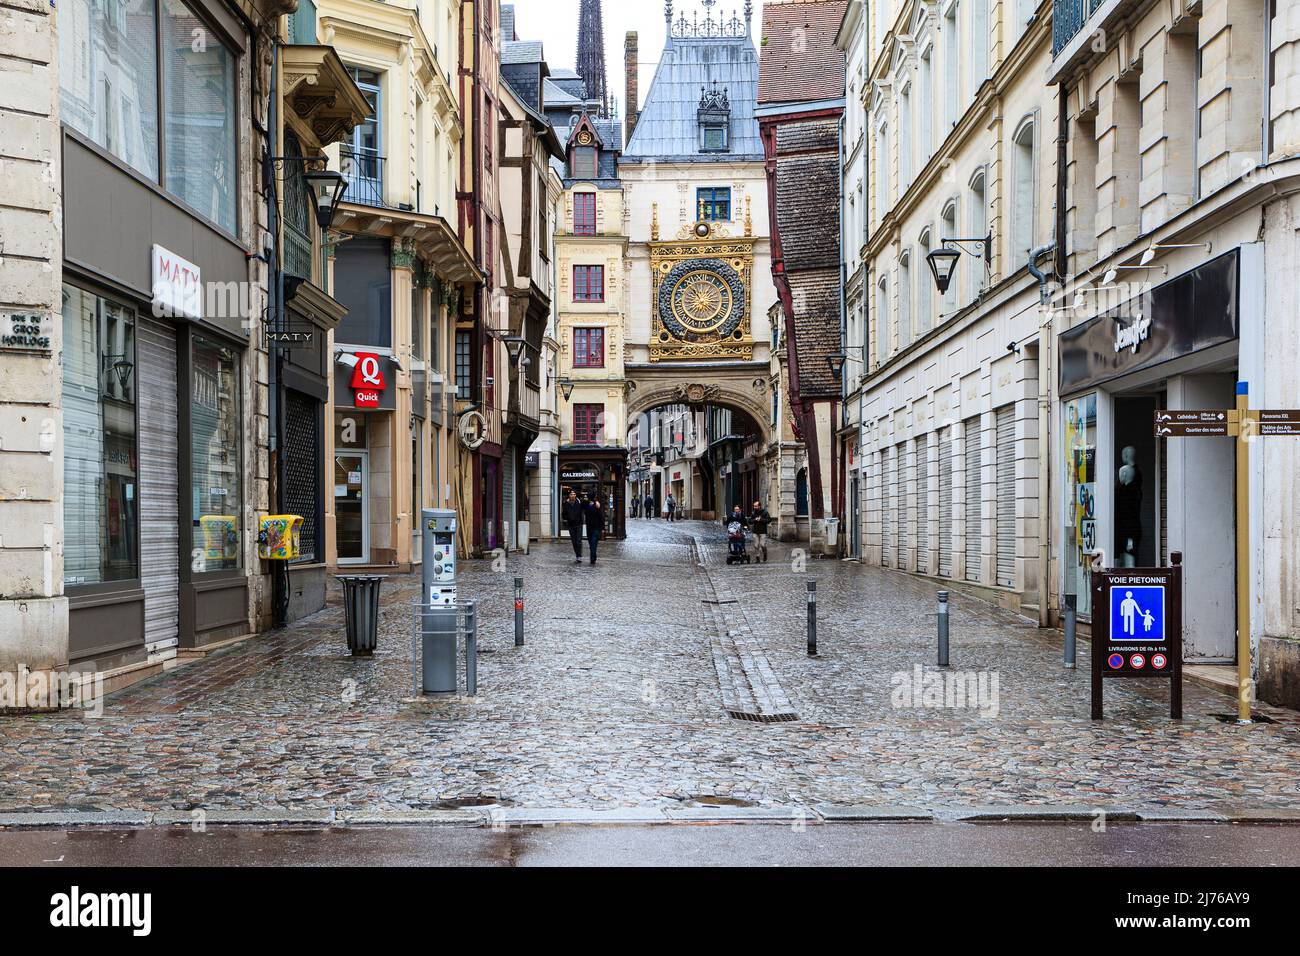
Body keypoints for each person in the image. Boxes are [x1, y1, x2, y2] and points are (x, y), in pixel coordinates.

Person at [561, 489, 585, 564]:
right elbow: (563, 515)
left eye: (574, 494)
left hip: (578, 525)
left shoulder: (579, 503)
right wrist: (568, 518)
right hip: (571, 525)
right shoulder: (566, 504)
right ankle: (577, 554)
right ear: (569, 495)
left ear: (575, 495)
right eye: (571, 494)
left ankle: (579, 555)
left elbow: (584, 510)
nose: (572, 495)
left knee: (578, 541)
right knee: (574, 541)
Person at [583, 493, 604, 565]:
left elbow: (601, 517)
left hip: (596, 527)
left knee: (593, 543)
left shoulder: (596, 505)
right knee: (591, 543)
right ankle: (593, 557)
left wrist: (602, 528)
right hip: (589, 527)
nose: (585, 497)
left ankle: (592, 558)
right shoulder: (586, 505)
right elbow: (580, 504)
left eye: (586, 496)